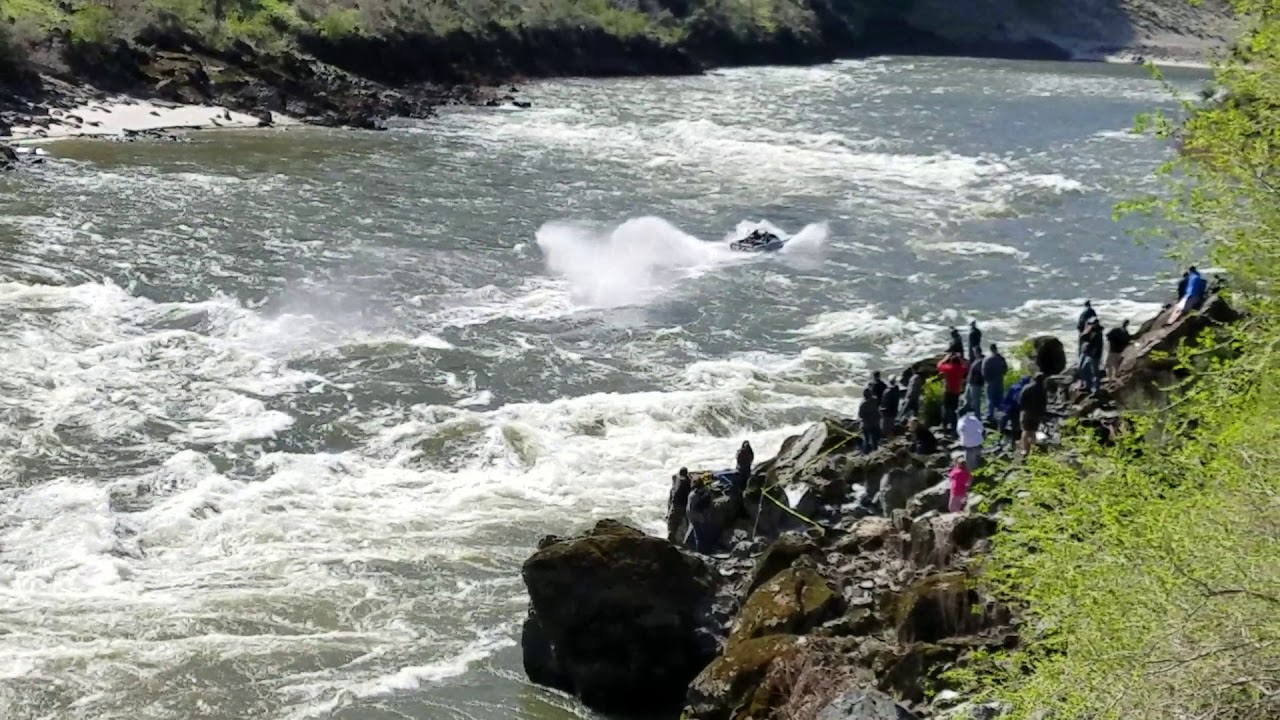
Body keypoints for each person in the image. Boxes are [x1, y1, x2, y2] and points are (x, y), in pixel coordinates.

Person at [937, 352, 968, 432]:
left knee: (945, 408)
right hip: (956, 392)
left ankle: (944, 425)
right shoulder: (961, 369)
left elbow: (939, 365)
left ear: (951, 361)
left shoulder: (948, 368)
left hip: (948, 391)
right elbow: (966, 365)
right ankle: (954, 426)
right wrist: (960, 358)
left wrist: (945, 358)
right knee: (954, 410)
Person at [1019, 373, 1048, 456]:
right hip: (1037, 414)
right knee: (1033, 431)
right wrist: (1042, 414)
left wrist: (1022, 410)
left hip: (1026, 412)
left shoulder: (1027, 388)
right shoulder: (1043, 390)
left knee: (1025, 431)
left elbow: (1021, 400)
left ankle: (1025, 450)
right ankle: (1033, 449)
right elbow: (1044, 403)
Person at [999, 376, 1029, 450]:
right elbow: (1008, 397)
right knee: (1010, 423)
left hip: (1015, 409)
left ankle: (1007, 440)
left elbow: (1007, 397)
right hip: (1013, 408)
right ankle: (1004, 438)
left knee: (1010, 424)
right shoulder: (1019, 388)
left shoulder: (1019, 388)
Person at [982, 343, 1008, 424]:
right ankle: (1003, 415)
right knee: (1000, 398)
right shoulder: (1001, 358)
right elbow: (1005, 369)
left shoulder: (987, 359)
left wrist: (986, 379)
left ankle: (990, 415)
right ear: (996, 349)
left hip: (990, 382)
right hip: (999, 380)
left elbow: (984, 371)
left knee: (990, 399)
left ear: (990, 349)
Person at [685, 480, 714, 552]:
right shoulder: (705, 493)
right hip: (700, 516)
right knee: (700, 535)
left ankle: (696, 549)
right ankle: (702, 550)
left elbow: (690, 507)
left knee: (697, 534)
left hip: (692, 516)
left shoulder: (692, 494)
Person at [1079, 319, 1104, 395]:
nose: (1091, 325)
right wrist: (1087, 328)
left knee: (1095, 372)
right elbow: (1082, 337)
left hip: (1095, 355)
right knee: (1083, 369)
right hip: (1089, 354)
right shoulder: (1091, 331)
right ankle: (1088, 386)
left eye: (1092, 324)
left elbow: (1096, 346)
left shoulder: (1098, 333)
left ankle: (1096, 390)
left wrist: (1092, 353)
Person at [668, 468, 692, 542]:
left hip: (678, 504)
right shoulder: (687, 482)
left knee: (673, 522)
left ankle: (671, 538)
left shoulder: (680, 482)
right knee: (679, 522)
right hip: (683, 505)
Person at [858, 387, 881, 452]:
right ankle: (875, 450)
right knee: (874, 439)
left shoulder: (863, 404)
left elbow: (860, 415)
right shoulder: (875, 400)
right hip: (875, 422)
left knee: (866, 439)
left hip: (867, 424)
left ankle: (865, 451)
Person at [965, 348, 985, 418]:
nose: (974, 354)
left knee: (976, 402)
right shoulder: (976, 360)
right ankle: (966, 416)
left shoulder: (981, 361)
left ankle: (978, 417)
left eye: (974, 352)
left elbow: (982, 373)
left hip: (976, 384)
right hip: (970, 382)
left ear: (977, 352)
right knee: (967, 398)